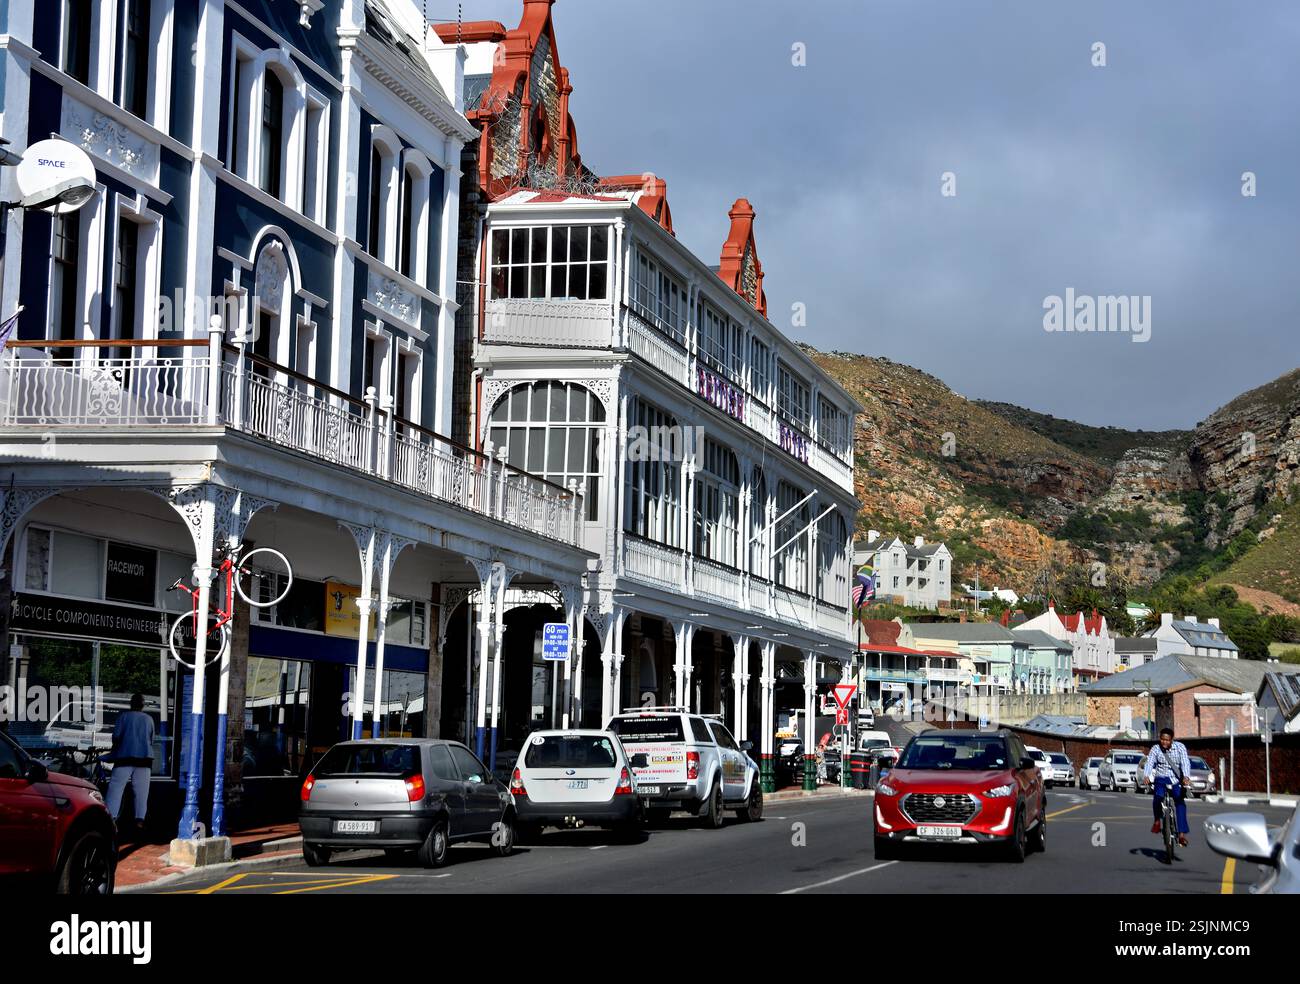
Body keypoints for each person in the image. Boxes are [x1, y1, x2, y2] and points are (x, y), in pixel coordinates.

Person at [105, 693, 155, 833]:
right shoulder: (149, 719)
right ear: (142, 705)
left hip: (124, 757)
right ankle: (139, 820)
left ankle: (111, 819)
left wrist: (115, 751)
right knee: (141, 793)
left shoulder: (123, 717)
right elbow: (151, 739)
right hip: (144, 759)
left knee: (115, 789)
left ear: (131, 704)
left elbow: (116, 737)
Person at [1143, 727, 1191, 847]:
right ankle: (1157, 820)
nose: (1164, 742)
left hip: (1176, 779)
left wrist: (1186, 777)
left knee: (1180, 802)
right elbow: (1149, 762)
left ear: (1172, 740)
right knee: (1158, 797)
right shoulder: (1155, 749)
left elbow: (1185, 762)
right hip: (1161, 778)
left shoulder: (1180, 747)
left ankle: (1181, 835)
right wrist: (1146, 775)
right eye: (1162, 739)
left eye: (1167, 740)